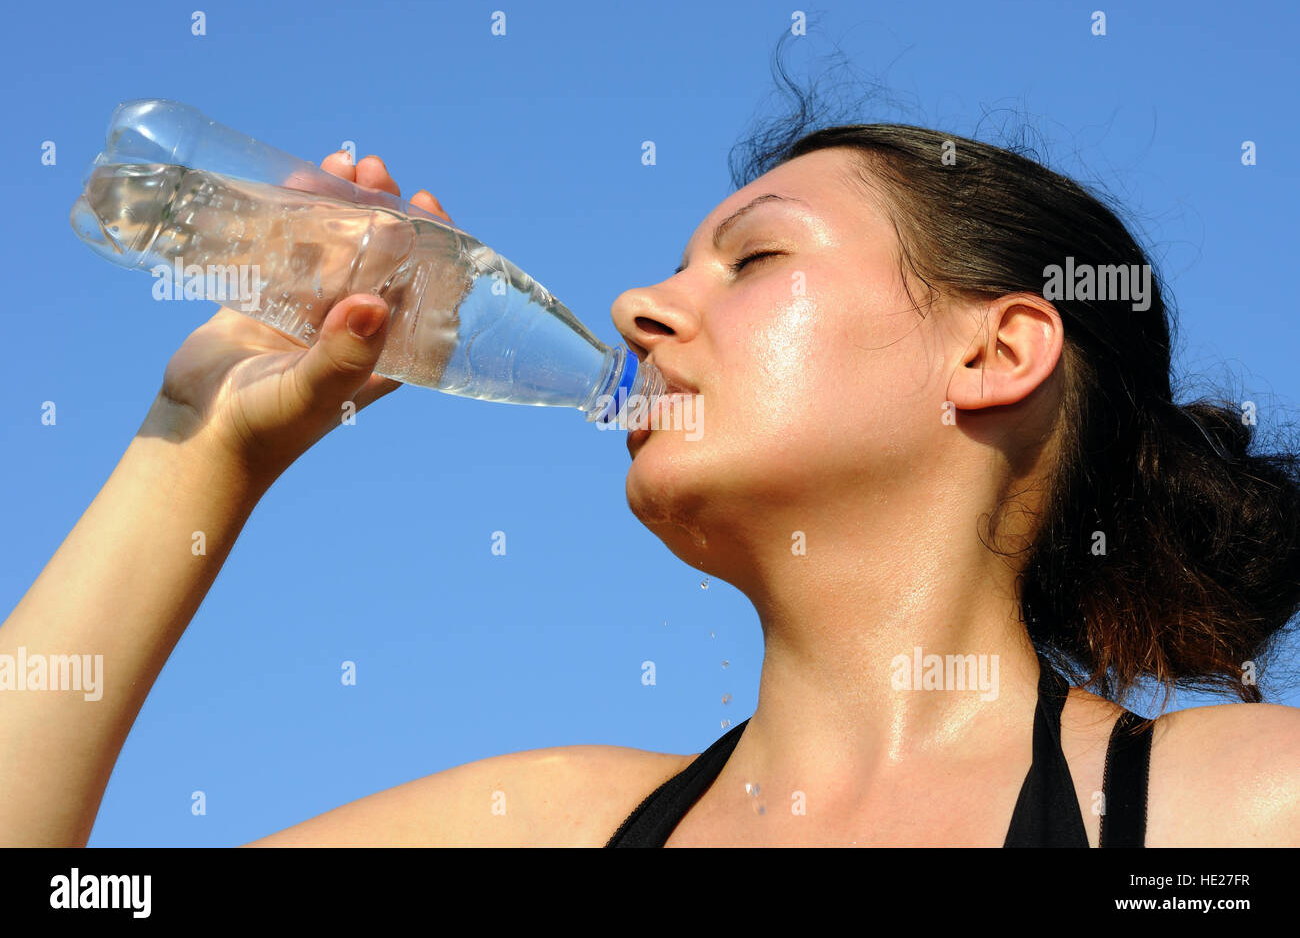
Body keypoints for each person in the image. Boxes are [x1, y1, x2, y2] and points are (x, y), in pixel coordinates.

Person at [4, 123, 1299, 847]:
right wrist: (204, 440)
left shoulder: (1227, 814)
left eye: (751, 260)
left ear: (996, 349)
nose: (637, 305)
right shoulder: (549, 826)